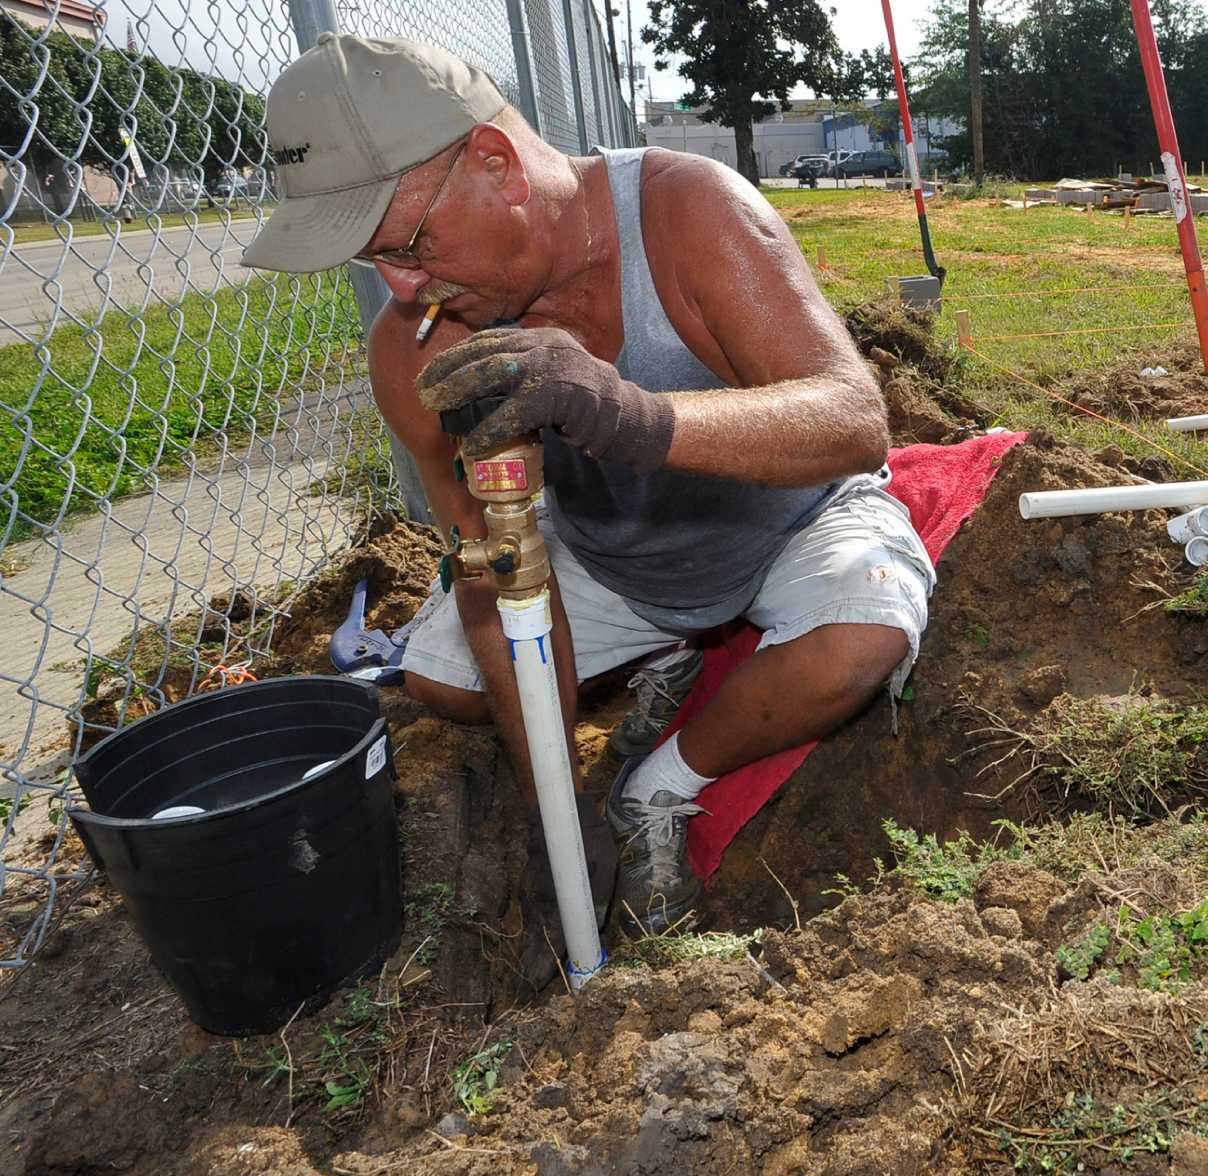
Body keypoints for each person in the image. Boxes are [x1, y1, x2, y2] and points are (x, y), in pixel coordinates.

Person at [242, 35, 934, 972]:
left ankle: (659, 780)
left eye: (406, 245)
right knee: (443, 680)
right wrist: (553, 813)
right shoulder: (415, 351)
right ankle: (666, 664)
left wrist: (635, 413)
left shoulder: (686, 213)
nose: (402, 289)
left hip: (787, 528)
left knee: (865, 632)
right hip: (616, 561)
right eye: (374, 264)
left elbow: (855, 420)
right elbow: (495, 568)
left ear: (496, 164)